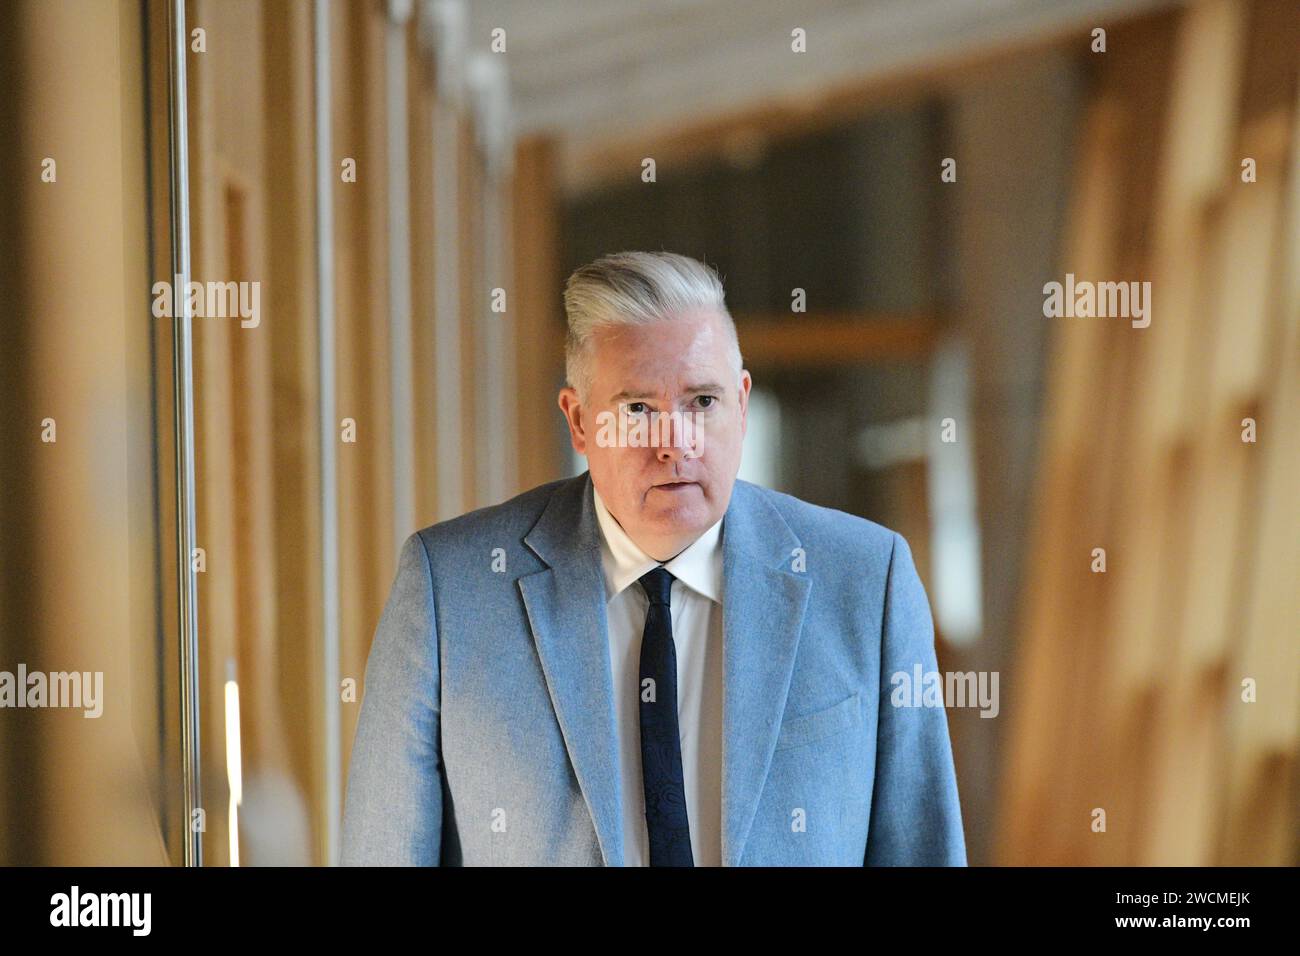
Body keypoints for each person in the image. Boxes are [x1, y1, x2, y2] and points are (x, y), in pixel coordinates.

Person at [340, 251, 966, 866]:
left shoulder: (865, 580)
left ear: (742, 404)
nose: (675, 445)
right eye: (637, 409)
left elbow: (922, 848)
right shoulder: (449, 589)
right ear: (579, 422)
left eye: (702, 402)